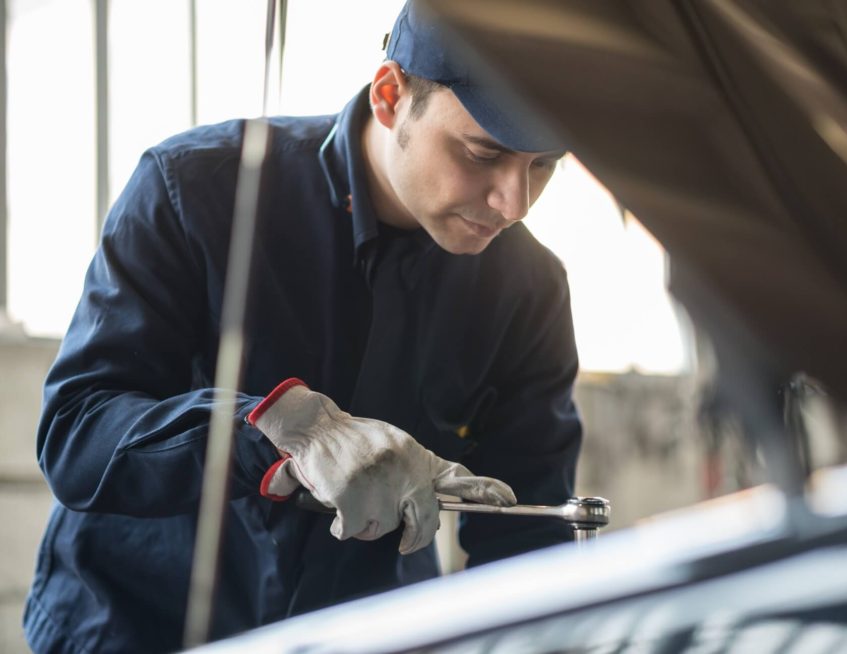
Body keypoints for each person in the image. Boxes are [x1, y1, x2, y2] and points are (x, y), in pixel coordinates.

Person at [23, 1, 582, 652]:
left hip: (360, 633)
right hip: (133, 625)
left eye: (544, 166)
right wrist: (275, 429)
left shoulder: (529, 291)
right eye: (482, 153)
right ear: (390, 95)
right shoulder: (195, 190)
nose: (513, 202)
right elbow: (78, 431)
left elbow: (524, 543)